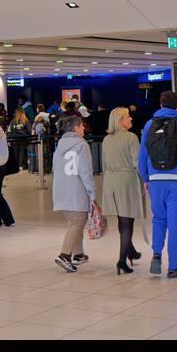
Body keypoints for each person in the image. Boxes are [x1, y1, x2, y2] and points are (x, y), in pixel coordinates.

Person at [137, 91, 177, 279]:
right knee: (175, 223)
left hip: (155, 181)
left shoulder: (149, 125)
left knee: (158, 218)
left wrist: (145, 178)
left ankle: (156, 254)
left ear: (160, 105)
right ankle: (173, 266)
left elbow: (142, 156)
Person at [101, 107, 145, 274]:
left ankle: (130, 251)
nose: (131, 119)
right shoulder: (131, 137)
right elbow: (137, 162)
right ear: (120, 121)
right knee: (127, 222)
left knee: (122, 220)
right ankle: (121, 261)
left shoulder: (106, 139)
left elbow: (104, 162)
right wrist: (146, 179)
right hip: (126, 180)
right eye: (128, 117)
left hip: (110, 180)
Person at [52, 114, 98, 272]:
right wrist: (92, 193)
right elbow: (86, 172)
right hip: (76, 190)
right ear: (75, 128)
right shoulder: (82, 145)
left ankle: (79, 254)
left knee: (74, 221)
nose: (84, 128)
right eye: (82, 125)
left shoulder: (59, 146)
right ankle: (65, 255)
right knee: (77, 221)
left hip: (61, 190)